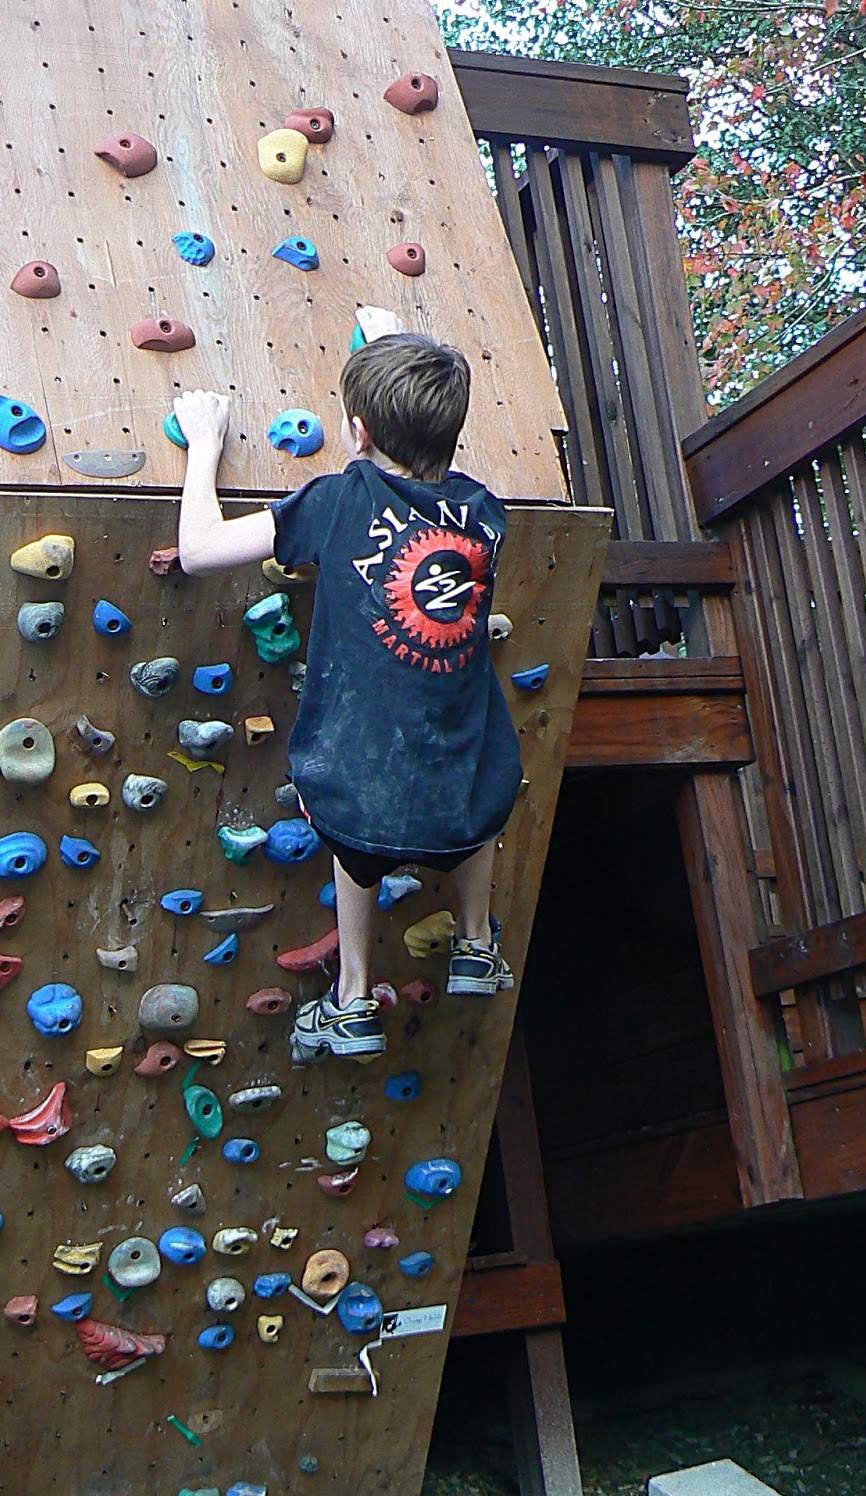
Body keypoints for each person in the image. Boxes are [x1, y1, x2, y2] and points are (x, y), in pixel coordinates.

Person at [173, 310, 521, 1060]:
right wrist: (396, 348)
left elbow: (199, 550)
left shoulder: (336, 502)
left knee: (356, 816)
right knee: (479, 774)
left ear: (357, 433)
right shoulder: (486, 516)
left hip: (357, 800)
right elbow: (428, 467)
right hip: (467, 798)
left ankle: (353, 998)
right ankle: (473, 943)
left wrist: (204, 444)